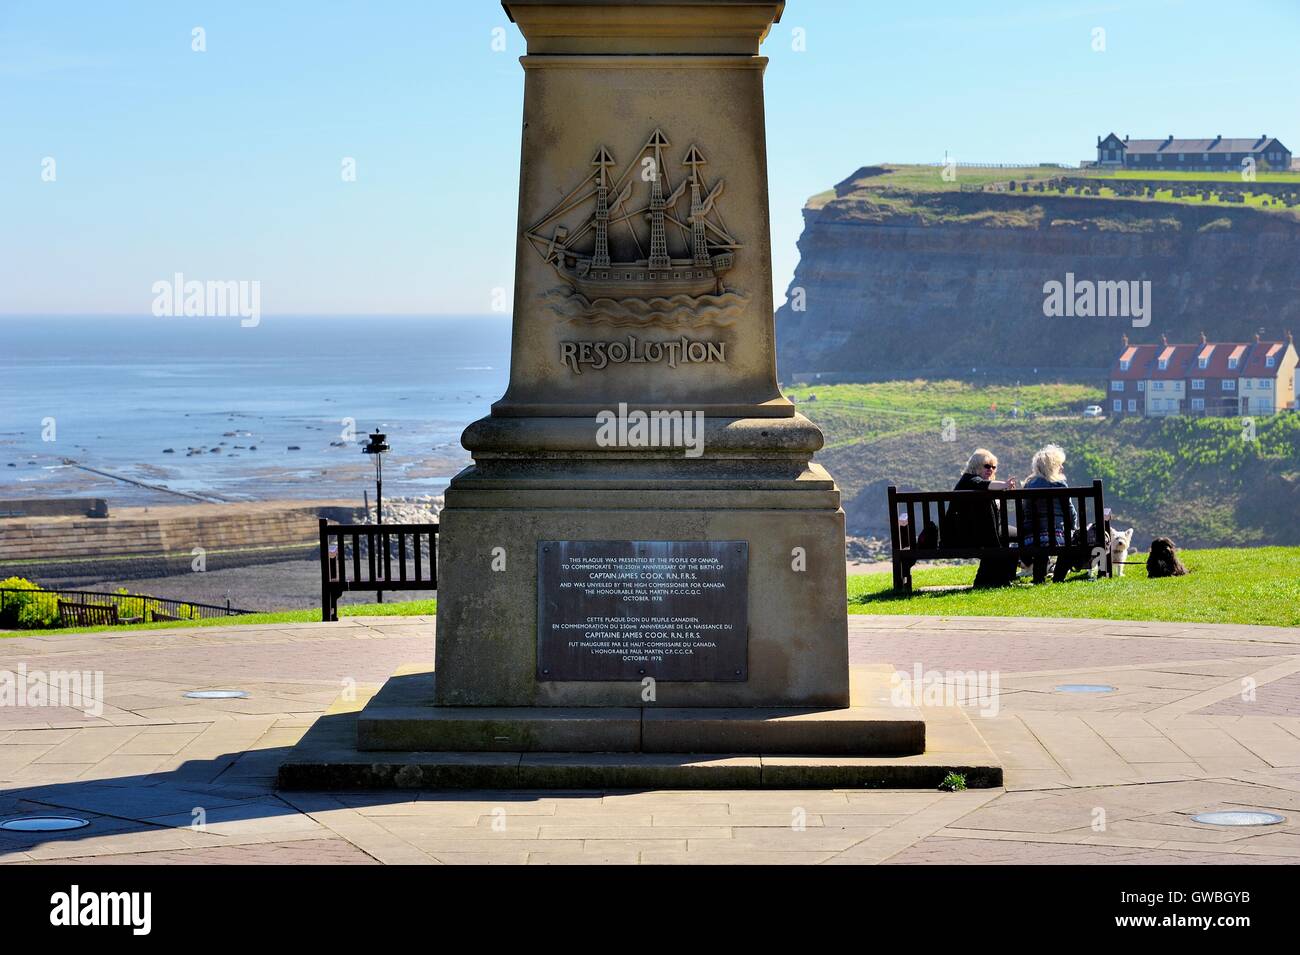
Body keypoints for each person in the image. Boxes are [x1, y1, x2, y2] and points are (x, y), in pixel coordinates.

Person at [946, 448, 1018, 587]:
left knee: (1006, 536)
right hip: (964, 536)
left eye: (993, 467)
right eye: (986, 466)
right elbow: (983, 484)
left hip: (974, 532)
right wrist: (1005, 485)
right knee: (998, 540)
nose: (990, 469)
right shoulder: (970, 480)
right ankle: (998, 579)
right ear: (976, 466)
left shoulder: (973, 483)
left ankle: (988, 580)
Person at [1022, 443, 1078, 584]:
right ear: (1052, 466)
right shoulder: (1059, 485)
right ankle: (1058, 577)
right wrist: (1073, 526)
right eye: (1060, 464)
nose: (1062, 467)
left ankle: (1038, 579)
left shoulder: (1029, 485)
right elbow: (1070, 510)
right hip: (1057, 536)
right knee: (1069, 545)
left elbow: (1025, 512)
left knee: (1042, 548)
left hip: (1031, 536)